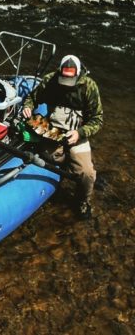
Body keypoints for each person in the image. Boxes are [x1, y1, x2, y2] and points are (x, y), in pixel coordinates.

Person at [22, 55, 103, 219]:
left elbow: (97, 119)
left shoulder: (89, 86)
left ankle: (83, 201)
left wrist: (80, 133)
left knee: (87, 173)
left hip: (77, 134)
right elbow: (32, 98)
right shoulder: (49, 80)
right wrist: (28, 107)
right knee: (50, 157)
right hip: (53, 132)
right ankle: (66, 163)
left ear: (78, 75)